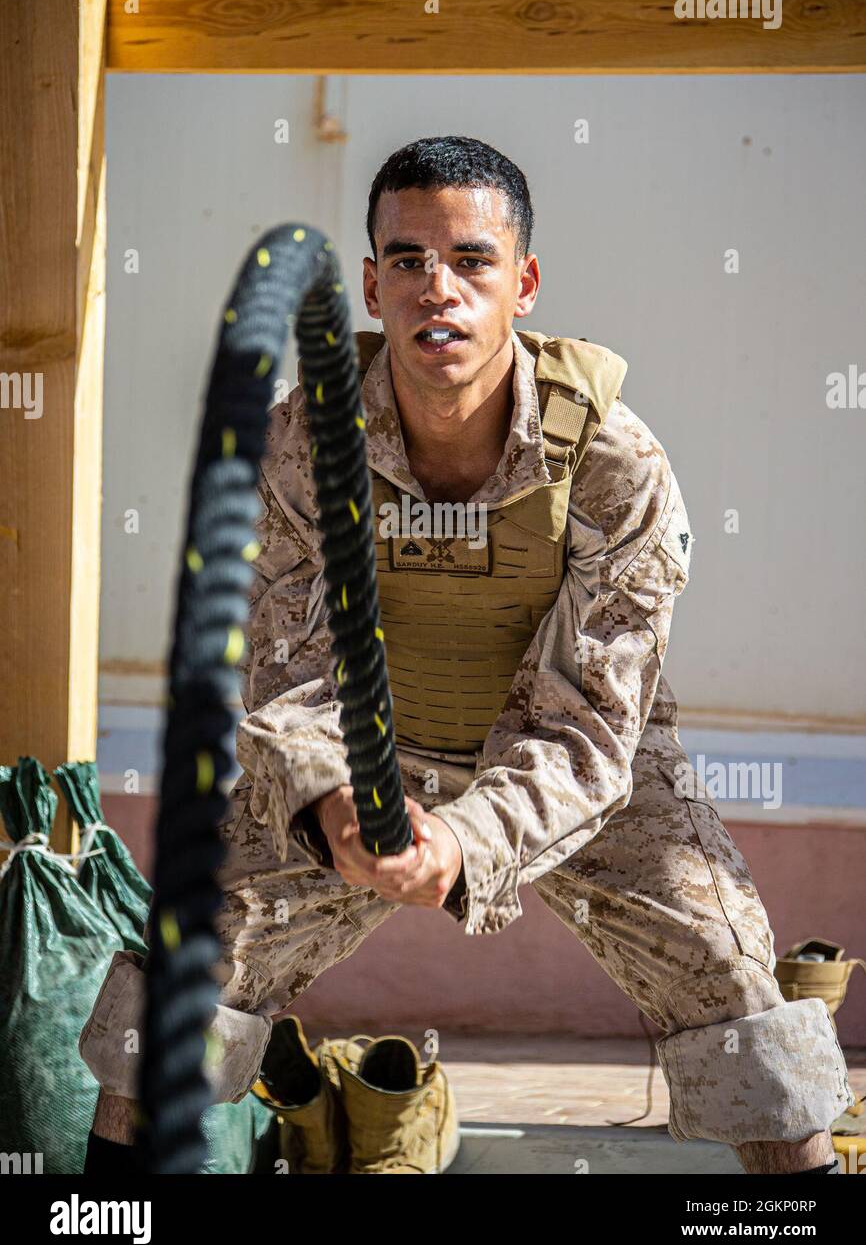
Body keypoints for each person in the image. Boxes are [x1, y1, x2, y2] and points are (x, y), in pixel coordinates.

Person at [81, 135, 852, 1175]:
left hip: (578, 772)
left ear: (522, 283)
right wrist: (326, 803)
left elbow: (589, 721)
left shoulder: (613, 464)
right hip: (367, 762)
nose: (435, 289)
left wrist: (457, 842)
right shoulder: (302, 443)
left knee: (733, 985)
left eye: (470, 260)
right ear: (369, 283)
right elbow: (286, 671)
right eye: (405, 261)